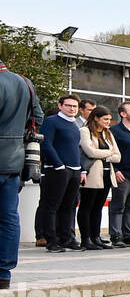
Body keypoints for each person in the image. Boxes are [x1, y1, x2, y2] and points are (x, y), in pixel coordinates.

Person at [0, 57, 42, 289]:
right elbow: (38, 118)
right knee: (8, 217)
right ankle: (4, 272)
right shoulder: (24, 82)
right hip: (13, 161)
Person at [34, 94, 84, 253]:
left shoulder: (74, 124)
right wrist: (59, 165)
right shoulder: (51, 121)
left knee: (69, 206)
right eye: (69, 105)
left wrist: (81, 168)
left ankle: (67, 239)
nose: (72, 109)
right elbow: (46, 145)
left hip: (74, 170)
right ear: (60, 105)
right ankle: (51, 241)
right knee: (52, 206)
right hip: (57, 170)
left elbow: (76, 148)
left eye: (75, 106)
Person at [77, 106, 120, 250]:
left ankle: (96, 237)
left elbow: (118, 156)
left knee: (98, 208)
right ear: (96, 118)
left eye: (109, 119)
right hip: (92, 175)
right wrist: (108, 152)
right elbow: (89, 152)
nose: (108, 122)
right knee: (86, 207)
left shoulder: (108, 133)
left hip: (107, 175)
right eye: (105, 119)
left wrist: (102, 153)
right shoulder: (85, 131)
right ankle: (85, 238)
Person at [108, 101, 130, 247]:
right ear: (123, 114)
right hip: (123, 175)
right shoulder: (114, 131)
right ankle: (116, 235)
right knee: (118, 206)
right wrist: (115, 170)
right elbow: (110, 152)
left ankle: (129, 235)